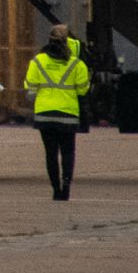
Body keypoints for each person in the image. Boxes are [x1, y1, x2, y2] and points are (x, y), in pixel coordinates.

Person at [24, 24, 92, 200]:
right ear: (68, 42)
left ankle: (55, 188)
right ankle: (66, 186)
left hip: (44, 113)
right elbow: (83, 90)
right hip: (68, 114)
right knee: (68, 152)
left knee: (51, 153)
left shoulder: (37, 61)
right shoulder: (77, 65)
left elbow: (30, 87)